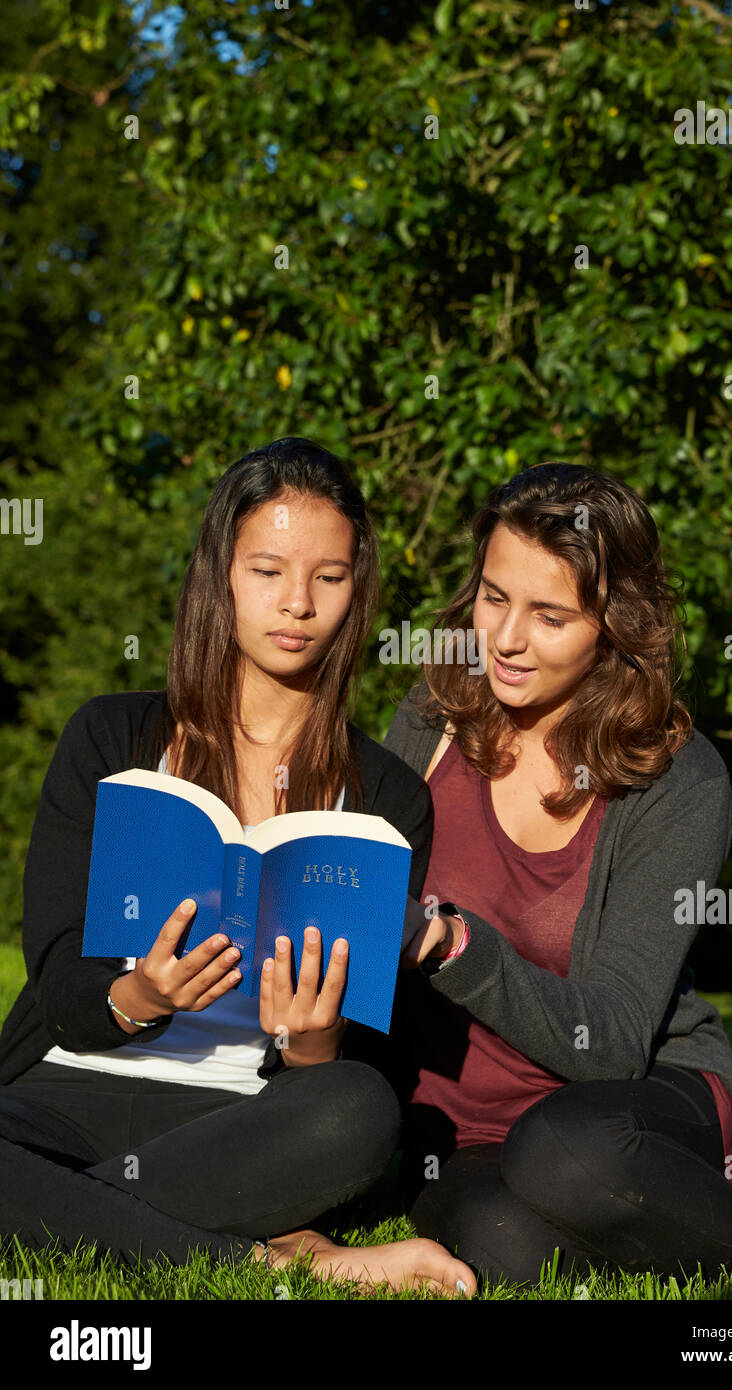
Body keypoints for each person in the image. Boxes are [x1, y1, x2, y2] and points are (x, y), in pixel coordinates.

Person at [0, 437, 474, 1298]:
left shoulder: (388, 798)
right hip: (63, 1093)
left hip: (238, 1120)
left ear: (356, 592)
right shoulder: (109, 739)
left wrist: (314, 1044)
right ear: (220, 574)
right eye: (268, 571)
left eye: (329, 579)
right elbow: (60, 977)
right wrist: (140, 996)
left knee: (360, 1112)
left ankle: (61, 1216)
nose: (298, 604)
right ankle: (273, 1258)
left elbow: (363, 1043)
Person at [386, 461, 732, 1296]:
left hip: (621, 1102)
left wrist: (451, 943)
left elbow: (608, 1042)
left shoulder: (681, 781)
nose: (507, 638)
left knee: (568, 1153)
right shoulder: (428, 722)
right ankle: (629, 1223)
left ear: (615, 623)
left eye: (551, 615)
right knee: (507, 1247)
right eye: (494, 598)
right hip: (463, 1125)